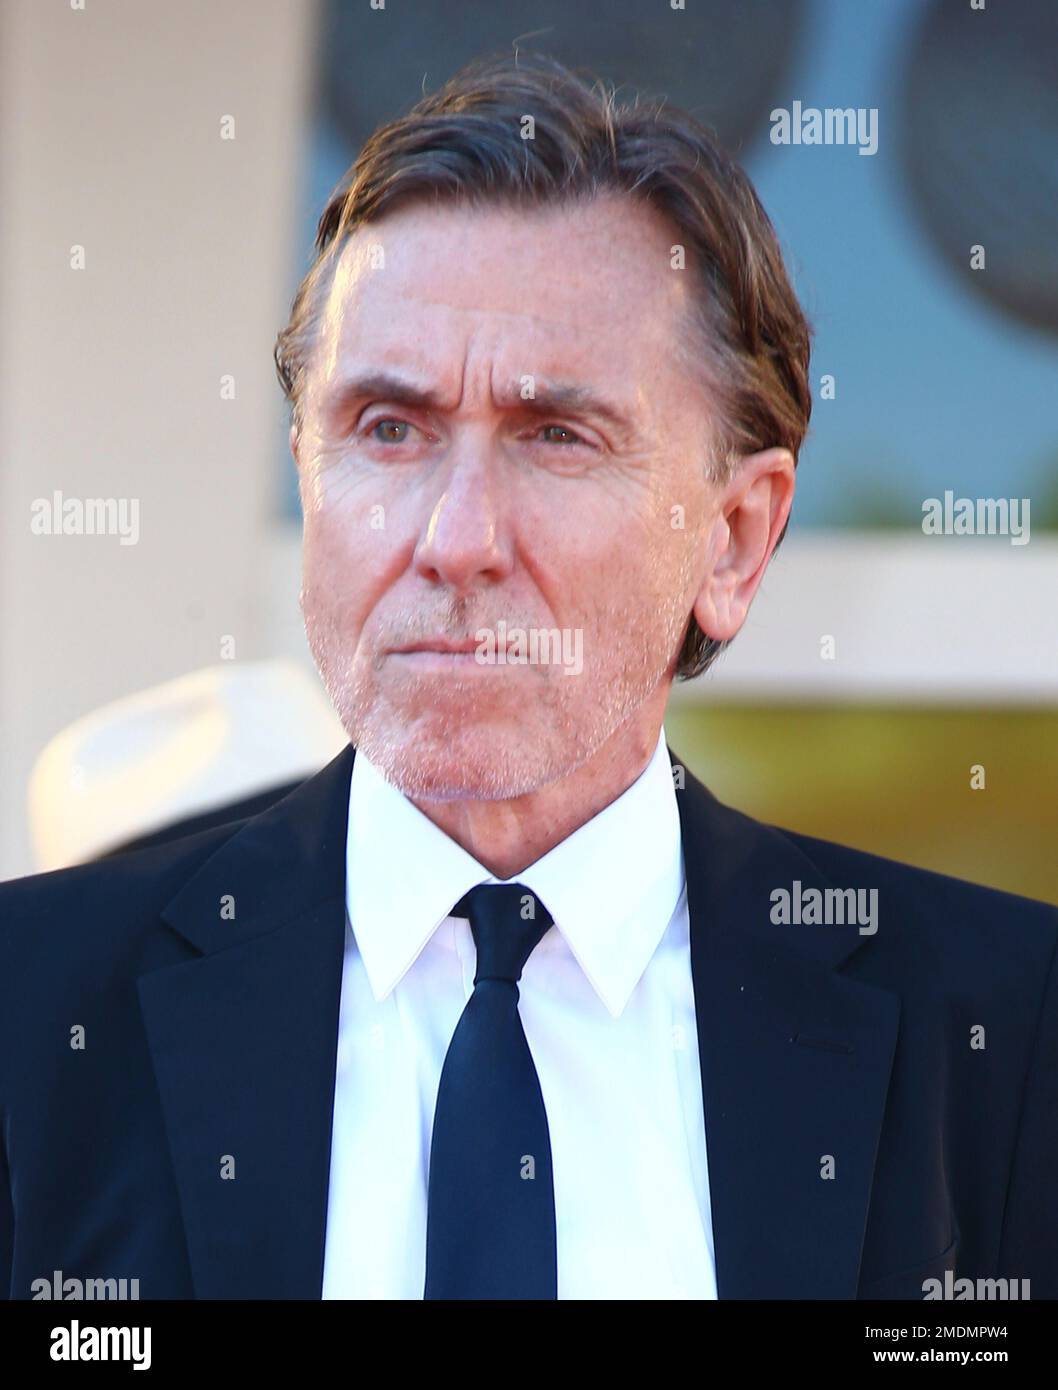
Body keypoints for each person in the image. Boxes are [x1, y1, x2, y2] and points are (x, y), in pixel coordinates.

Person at [1, 51, 1054, 1302]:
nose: (452, 540)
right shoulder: (32, 1013)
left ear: (732, 537)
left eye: (556, 436)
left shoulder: (997, 1031)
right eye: (386, 430)